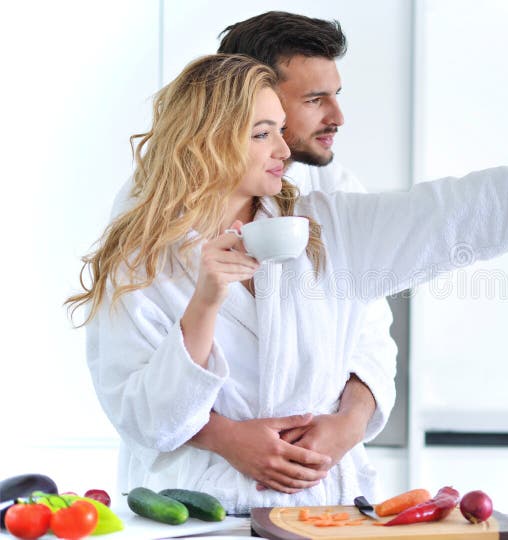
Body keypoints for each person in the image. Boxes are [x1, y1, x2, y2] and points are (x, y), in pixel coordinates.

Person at [69, 54, 508, 512]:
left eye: (279, 130)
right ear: (210, 143)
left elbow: (463, 209)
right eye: (262, 133)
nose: (282, 149)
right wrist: (206, 300)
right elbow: (148, 420)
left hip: (318, 513)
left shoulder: (326, 228)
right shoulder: (140, 262)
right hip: (196, 516)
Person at [109, 12, 398, 497]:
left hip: (317, 487)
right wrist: (225, 438)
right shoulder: (151, 213)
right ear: (244, 95)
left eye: (336, 95)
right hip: (202, 493)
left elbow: (371, 334)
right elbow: (131, 386)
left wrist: (348, 424)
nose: (337, 117)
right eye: (313, 99)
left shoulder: (339, 191)